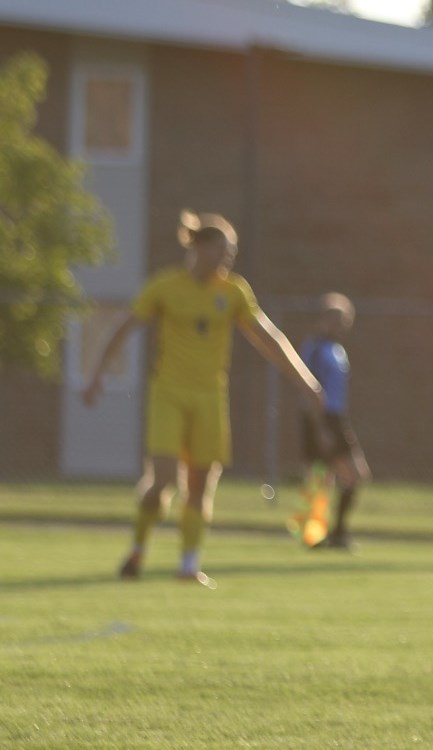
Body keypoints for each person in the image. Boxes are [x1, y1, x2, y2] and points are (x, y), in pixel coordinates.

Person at [82, 211, 323, 587]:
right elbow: (124, 328)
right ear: (202, 247)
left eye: (232, 252)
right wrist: (97, 374)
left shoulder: (234, 292)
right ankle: (137, 549)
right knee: (162, 480)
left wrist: (307, 382)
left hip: (211, 396)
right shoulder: (165, 287)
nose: (228, 259)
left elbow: (269, 339)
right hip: (169, 393)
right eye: (223, 251)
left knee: (200, 483)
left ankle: (188, 565)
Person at [297, 293, 369, 550]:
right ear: (326, 319)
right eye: (340, 320)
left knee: (356, 475)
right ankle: (314, 536)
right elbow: (310, 391)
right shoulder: (314, 348)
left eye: (347, 320)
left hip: (338, 419)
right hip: (321, 419)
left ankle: (338, 533)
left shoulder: (338, 349)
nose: (344, 326)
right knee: (320, 479)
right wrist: (319, 428)